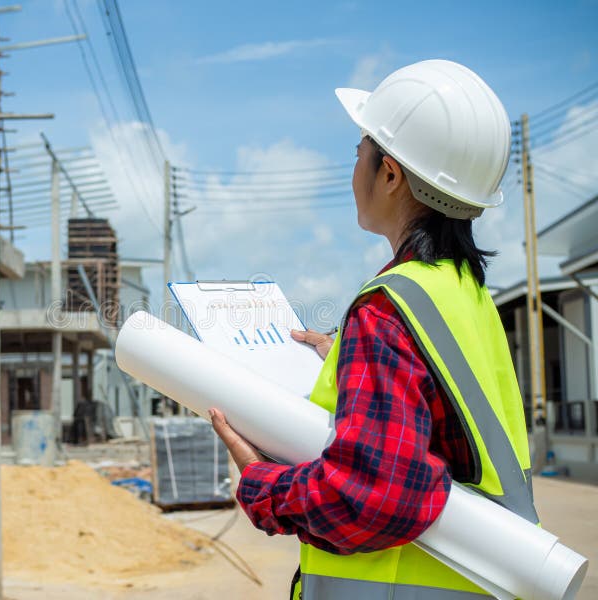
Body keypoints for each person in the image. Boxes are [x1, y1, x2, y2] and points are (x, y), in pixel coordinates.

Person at [210, 59, 538, 599]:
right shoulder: (463, 293)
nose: (354, 167)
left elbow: (370, 497)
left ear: (389, 173)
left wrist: (260, 485)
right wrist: (347, 359)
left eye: (359, 151)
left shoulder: (386, 310)